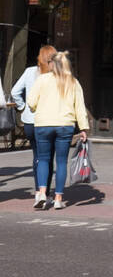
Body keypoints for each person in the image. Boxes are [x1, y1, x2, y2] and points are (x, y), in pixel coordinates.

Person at [28, 51, 89, 211]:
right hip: (65, 125)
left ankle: (41, 193)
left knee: (43, 159)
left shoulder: (42, 80)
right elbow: (80, 107)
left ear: (51, 65)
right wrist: (83, 128)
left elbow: (31, 102)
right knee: (61, 161)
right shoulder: (73, 82)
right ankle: (58, 198)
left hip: (43, 124)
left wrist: (36, 108)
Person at [12, 45, 56, 196]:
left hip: (30, 121)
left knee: (37, 155)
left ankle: (39, 191)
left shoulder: (29, 71)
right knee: (48, 157)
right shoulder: (55, 74)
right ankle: (45, 191)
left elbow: (14, 91)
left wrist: (22, 106)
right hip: (48, 120)